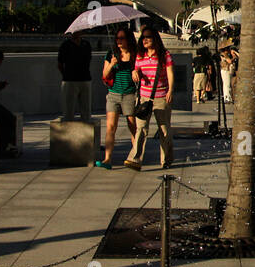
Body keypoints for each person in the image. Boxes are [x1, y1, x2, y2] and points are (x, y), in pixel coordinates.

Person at [124, 27, 173, 170]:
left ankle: (166, 160)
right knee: (141, 128)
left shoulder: (164, 55)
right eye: (143, 38)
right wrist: (135, 72)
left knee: (164, 129)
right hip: (144, 97)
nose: (144, 40)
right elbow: (137, 68)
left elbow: (170, 73)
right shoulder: (140, 55)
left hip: (161, 96)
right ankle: (135, 159)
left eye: (148, 37)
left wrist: (170, 90)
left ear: (155, 39)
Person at [98, 29, 138, 169]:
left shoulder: (135, 56)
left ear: (128, 39)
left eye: (122, 38)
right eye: (117, 38)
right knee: (111, 127)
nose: (119, 41)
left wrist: (136, 71)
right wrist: (111, 64)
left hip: (129, 94)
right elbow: (104, 75)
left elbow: (141, 72)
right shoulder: (112, 54)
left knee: (132, 126)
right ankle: (107, 159)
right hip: (113, 94)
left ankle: (135, 156)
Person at [57, 29, 93, 120]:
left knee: (86, 111)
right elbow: (60, 64)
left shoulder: (86, 44)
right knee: (69, 111)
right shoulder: (65, 45)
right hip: (70, 80)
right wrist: (66, 75)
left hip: (85, 79)